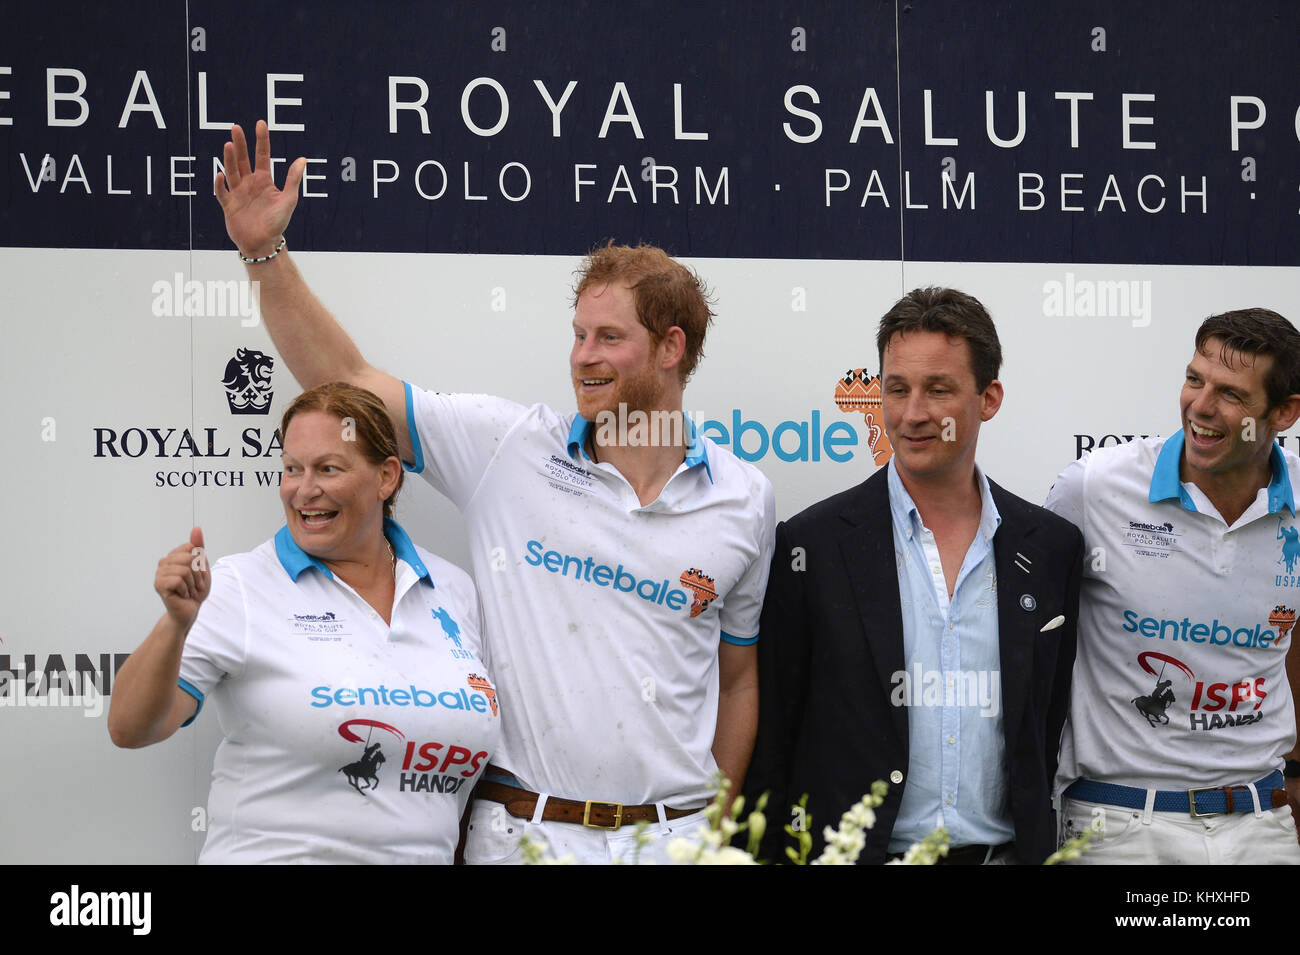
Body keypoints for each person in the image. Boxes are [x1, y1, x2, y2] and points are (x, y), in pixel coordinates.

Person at [212, 121, 775, 864]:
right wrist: (263, 254)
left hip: (673, 841)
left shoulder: (745, 497)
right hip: (523, 835)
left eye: (609, 337)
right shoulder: (507, 447)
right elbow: (345, 380)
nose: (583, 357)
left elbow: (737, 679)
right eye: (577, 335)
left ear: (671, 348)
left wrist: (715, 831)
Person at [746, 287, 1083, 864]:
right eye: (896, 389)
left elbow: (1046, 725)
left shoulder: (1051, 548)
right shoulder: (812, 545)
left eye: (939, 389)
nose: (912, 414)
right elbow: (775, 732)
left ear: (989, 398)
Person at [108, 383, 498, 864]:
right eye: (292, 468)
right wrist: (174, 624)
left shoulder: (453, 589)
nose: (303, 489)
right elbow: (131, 727)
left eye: (328, 469)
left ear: (386, 478)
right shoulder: (238, 587)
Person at [1046, 308, 1300, 864]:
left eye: (1231, 394)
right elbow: (1033, 635)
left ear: (1284, 412)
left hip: (1261, 822)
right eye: (1194, 379)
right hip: (1117, 822)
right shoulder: (1093, 487)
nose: (1201, 407)